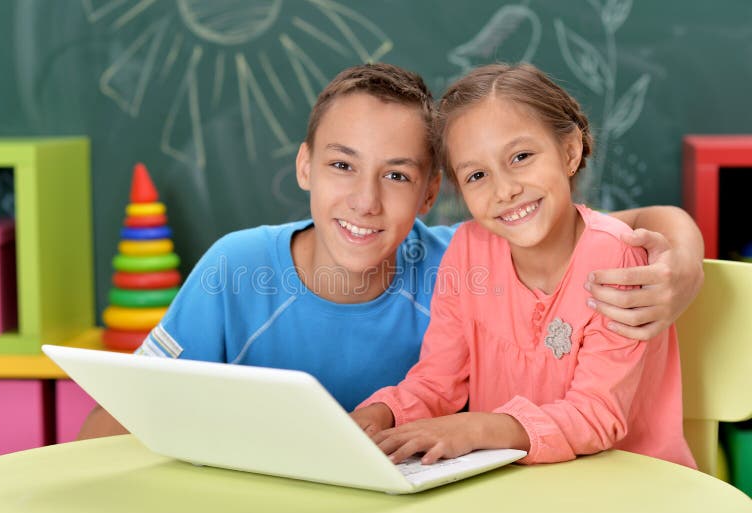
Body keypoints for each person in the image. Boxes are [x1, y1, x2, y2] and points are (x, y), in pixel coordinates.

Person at [79, 63, 704, 439]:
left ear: (432, 192)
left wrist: (684, 255)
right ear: (305, 166)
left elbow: (584, 229)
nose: (365, 200)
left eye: (398, 176)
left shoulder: (460, 258)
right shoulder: (233, 270)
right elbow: (124, 410)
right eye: (342, 166)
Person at [352, 63, 697, 469]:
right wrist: (377, 416)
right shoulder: (468, 252)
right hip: (517, 489)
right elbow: (436, 382)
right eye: (477, 174)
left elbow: (595, 416)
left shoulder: (617, 260)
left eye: (521, 156)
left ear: (569, 152)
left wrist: (476, 429)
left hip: (630, 485)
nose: (505, 189)